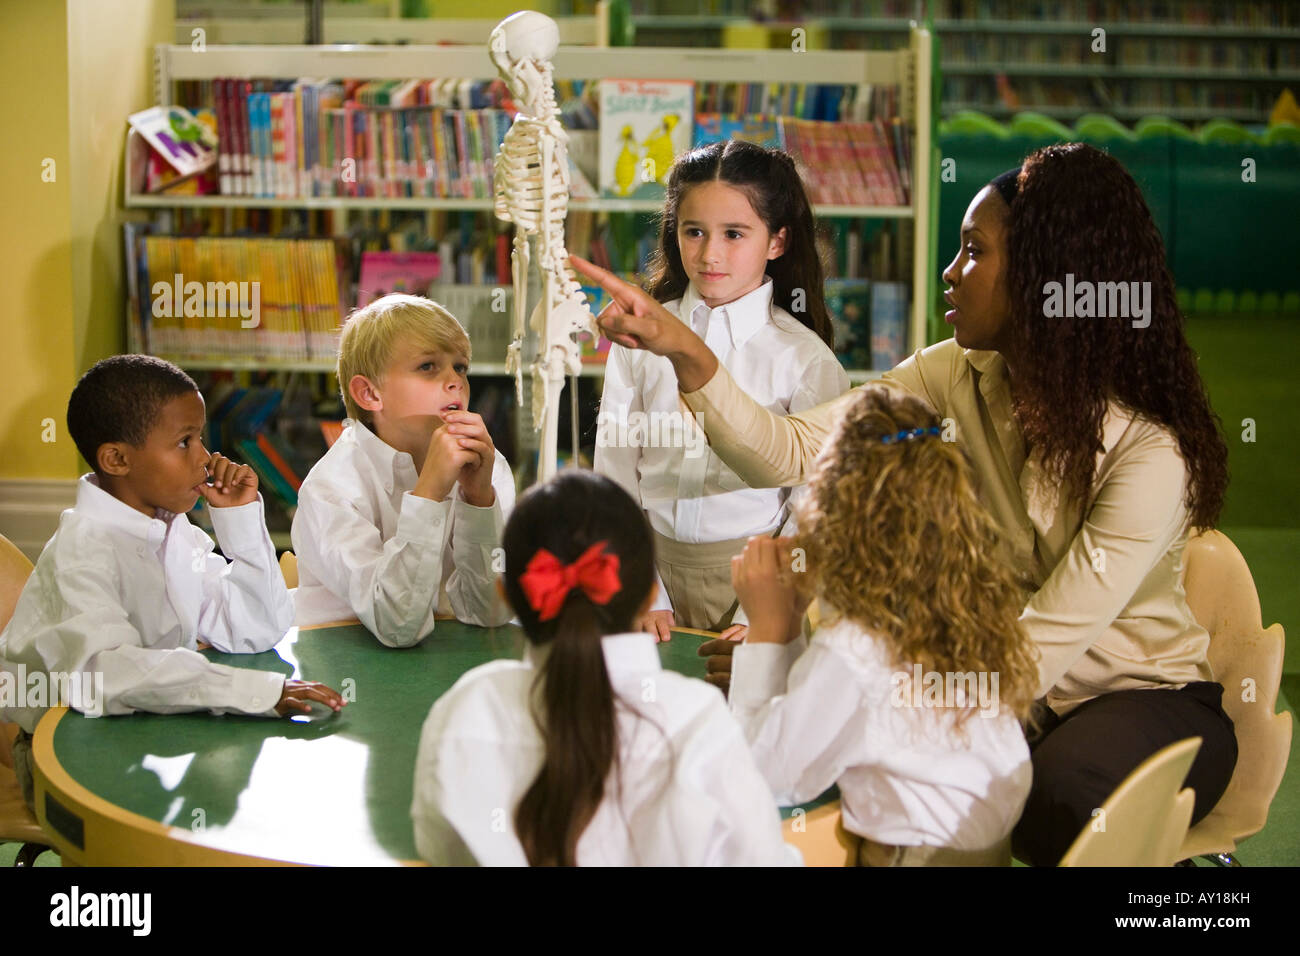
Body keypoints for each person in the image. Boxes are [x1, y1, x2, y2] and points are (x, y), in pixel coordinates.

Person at [573, 142, 1237, 866]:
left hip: (1136, 696)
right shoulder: (952, 372)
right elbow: (797, 452)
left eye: (973, 252)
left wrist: (848, 681)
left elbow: (1036, 650)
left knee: (1060, 797)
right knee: (864, 766)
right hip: (995, 689)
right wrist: (687, 353)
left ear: (1049, 280)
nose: (951, 273)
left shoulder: (1150, 453)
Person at [0, 356, 343, 811]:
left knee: (239, 806)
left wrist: (238, 520)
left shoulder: (169, 528)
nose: (205, 458)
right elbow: (109, 673)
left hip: (136, 719)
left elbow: (255, 629)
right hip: (61, 748)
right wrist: (253, 693)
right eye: (185, 442)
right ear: (117, 459)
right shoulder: (83, 551)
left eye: (199, 437)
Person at [410, 470, 798, 866]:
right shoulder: (698, 720)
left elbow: (437, 847)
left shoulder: (467, 709)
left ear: (507, 595)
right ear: (649, 592)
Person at [728, 388, 1038, 865]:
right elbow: (831, 727)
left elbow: (765, 778)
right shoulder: (964, 606)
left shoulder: (855, 647)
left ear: (836, 513)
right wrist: (789, 628)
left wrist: (769, 627)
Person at [593, 139, 848, 642]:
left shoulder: (805, 358)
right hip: (648, 572)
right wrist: (642, 587)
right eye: (694, 232)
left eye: (734, 233)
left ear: (777, 241)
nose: (710, 254)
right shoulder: (638, 338)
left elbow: (814, 503)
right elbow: (616, 470)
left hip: (756, 582)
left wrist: (760, 610)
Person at [293, 294, 515, 645]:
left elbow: (489, 613)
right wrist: (429, 493)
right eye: (428, 366)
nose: (455, 381)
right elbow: (397, 626)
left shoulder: (487, 465)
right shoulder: (330, 488)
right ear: (369, 394)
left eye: (460, 367)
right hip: (347, 677)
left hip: (445, 668)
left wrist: (477, 499)